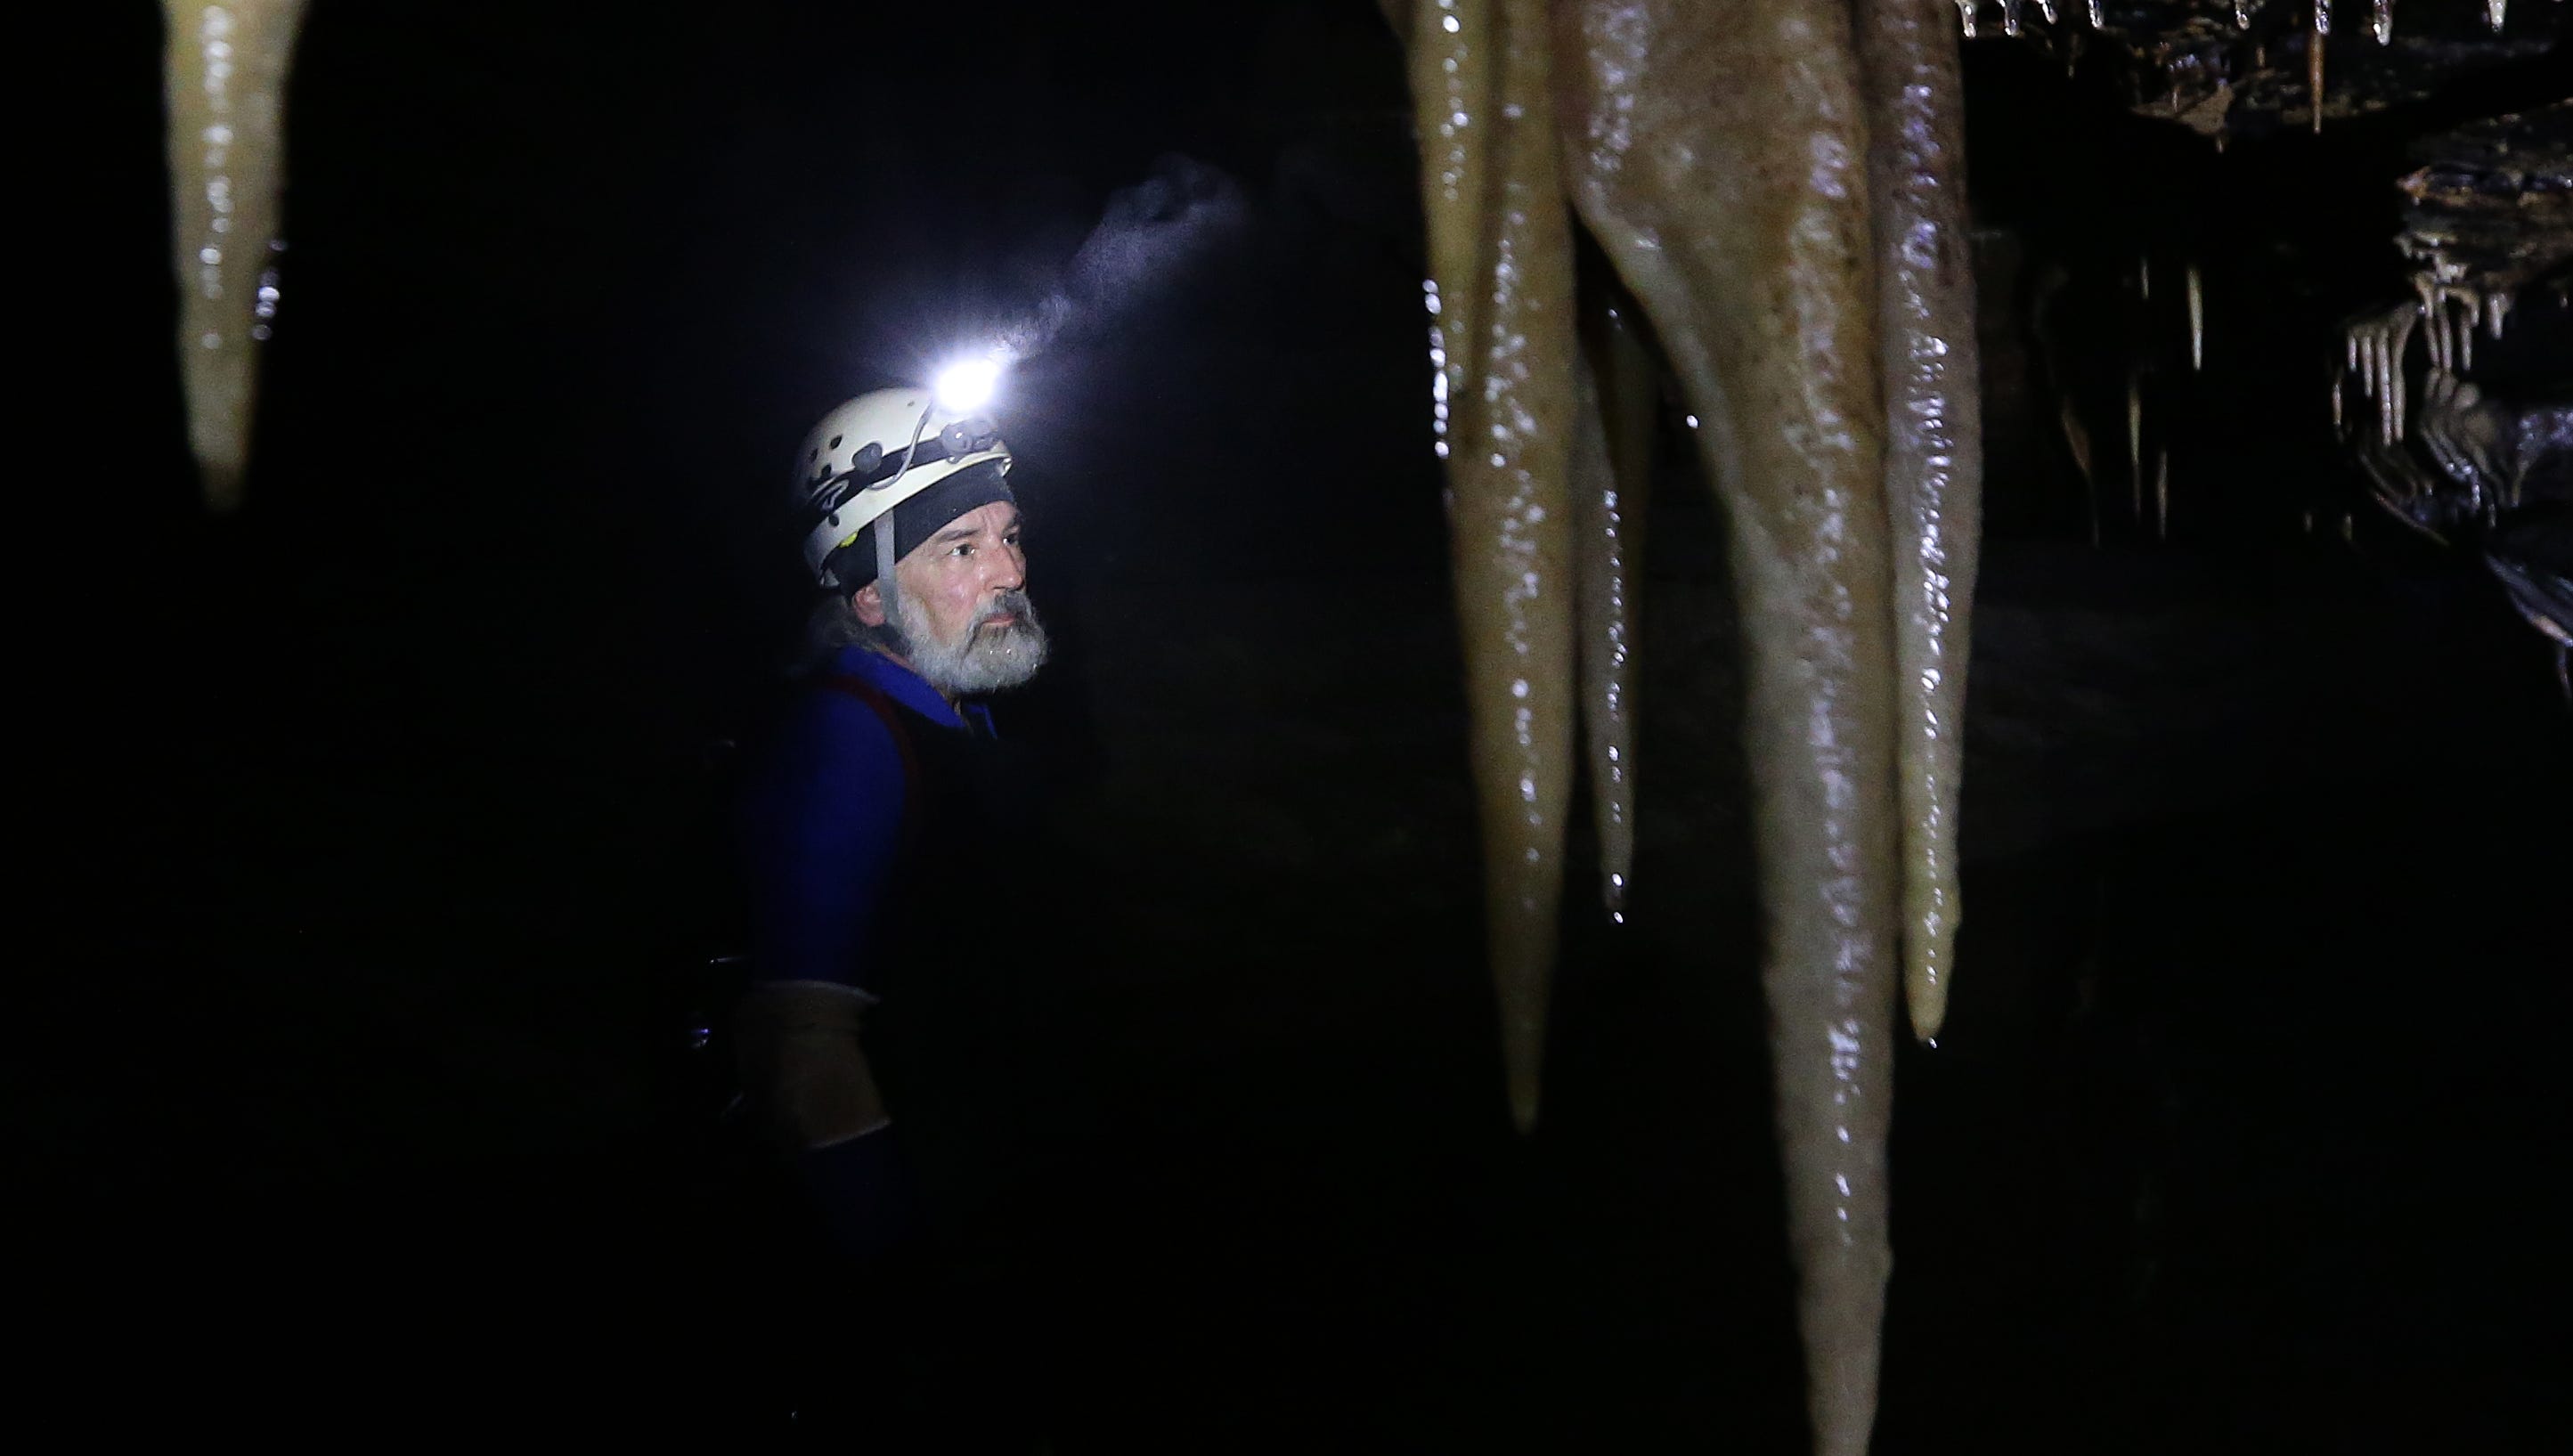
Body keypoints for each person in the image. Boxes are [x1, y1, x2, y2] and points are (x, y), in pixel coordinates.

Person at [732, 378, 1059, 1278]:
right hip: (919, 1235)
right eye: (962, 548)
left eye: (1010, 536)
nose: (1011, 571)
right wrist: (904, 1280)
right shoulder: (845, 741)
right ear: (870, 598)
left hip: (984, 1188)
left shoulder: (952, 711)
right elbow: (803, 1051)